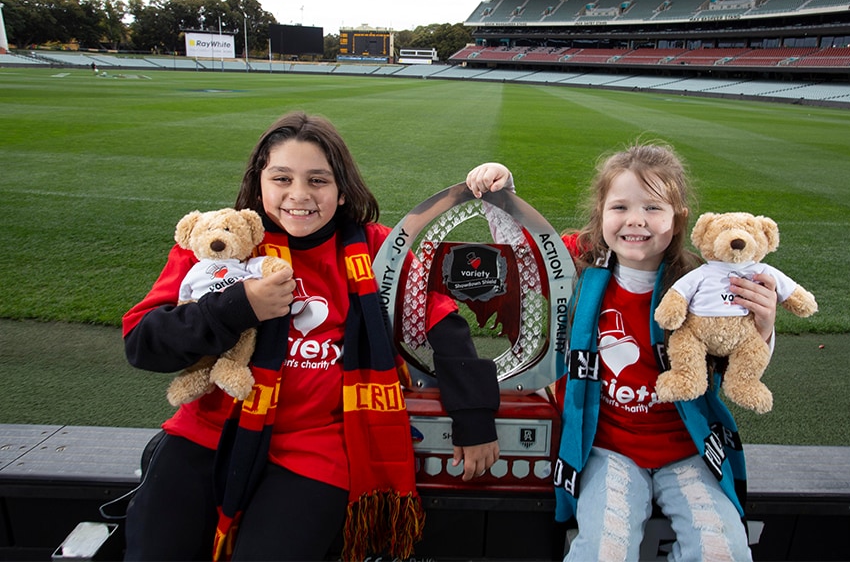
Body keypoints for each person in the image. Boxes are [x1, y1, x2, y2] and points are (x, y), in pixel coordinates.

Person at [123, 111, 501, 561]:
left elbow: (442, 320)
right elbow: (142, 344)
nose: (299, 195)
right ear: (258, 183)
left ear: (342, 190)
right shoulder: (221, 242)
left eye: (318, 181)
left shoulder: (377, 247)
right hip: (209, 433)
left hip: (313, 447)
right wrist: (237, 306)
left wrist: (474, 415)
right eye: (281, 178)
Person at [467, 145, 778, 562]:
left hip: (686, 448)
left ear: (678, 217)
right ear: (600, 213)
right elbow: (527, 258)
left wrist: (763, 327)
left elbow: (735, 361)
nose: (635, 220)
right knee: (602, 552)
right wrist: (503, 193)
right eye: (620, 206)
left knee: (724, 551)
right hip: (606, 447)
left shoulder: (703, 283)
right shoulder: (579, 263)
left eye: (653, 207)